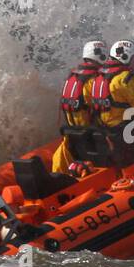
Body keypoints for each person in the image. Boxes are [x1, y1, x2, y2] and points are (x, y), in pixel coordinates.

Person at [51, 40, 107, 176]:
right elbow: (104, 109)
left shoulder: (72, 78)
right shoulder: (93, 81)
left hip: (75, 139)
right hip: (94, 140)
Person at [90, 40, 134, 130]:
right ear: (125, 57)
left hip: (103, 127)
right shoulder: (126, 78)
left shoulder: (100, 74)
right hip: (122, 130)